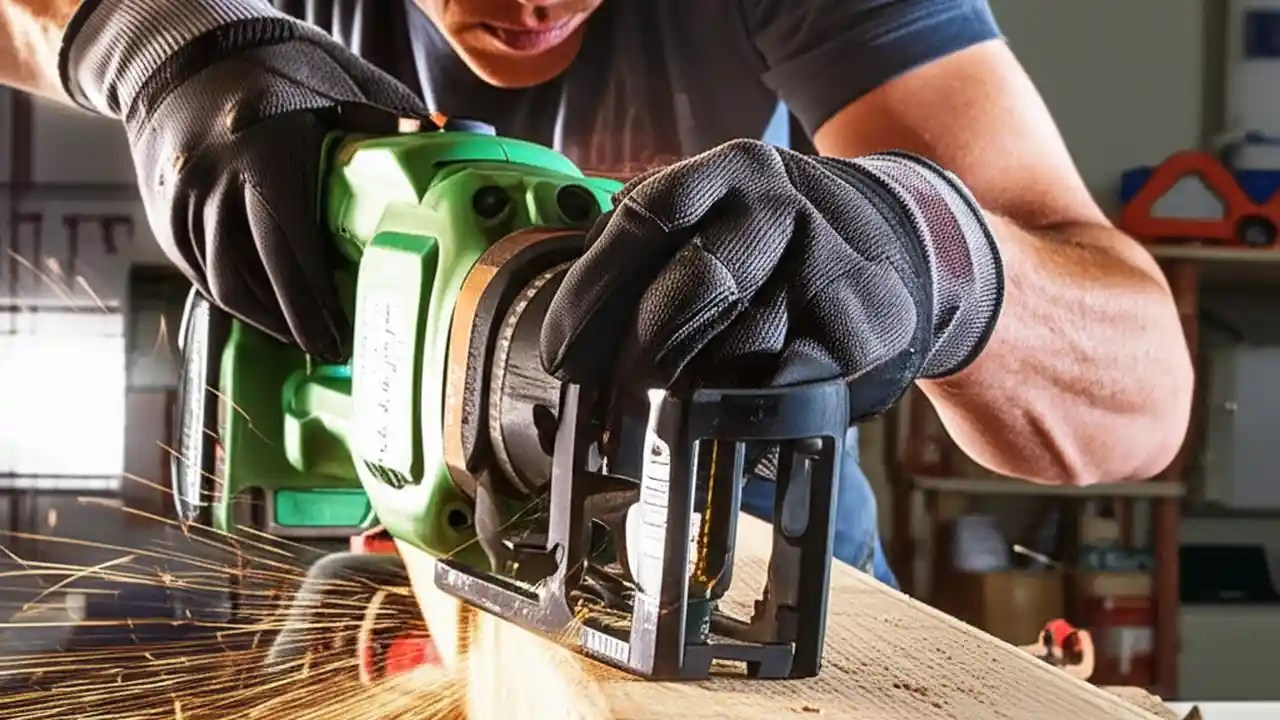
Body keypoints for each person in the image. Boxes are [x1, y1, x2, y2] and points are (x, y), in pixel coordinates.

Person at [1, 0, 1193, 592]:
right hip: (396, 567)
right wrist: (148, 35)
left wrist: (927, 253)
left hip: (759, 567)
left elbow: (1133, 407)